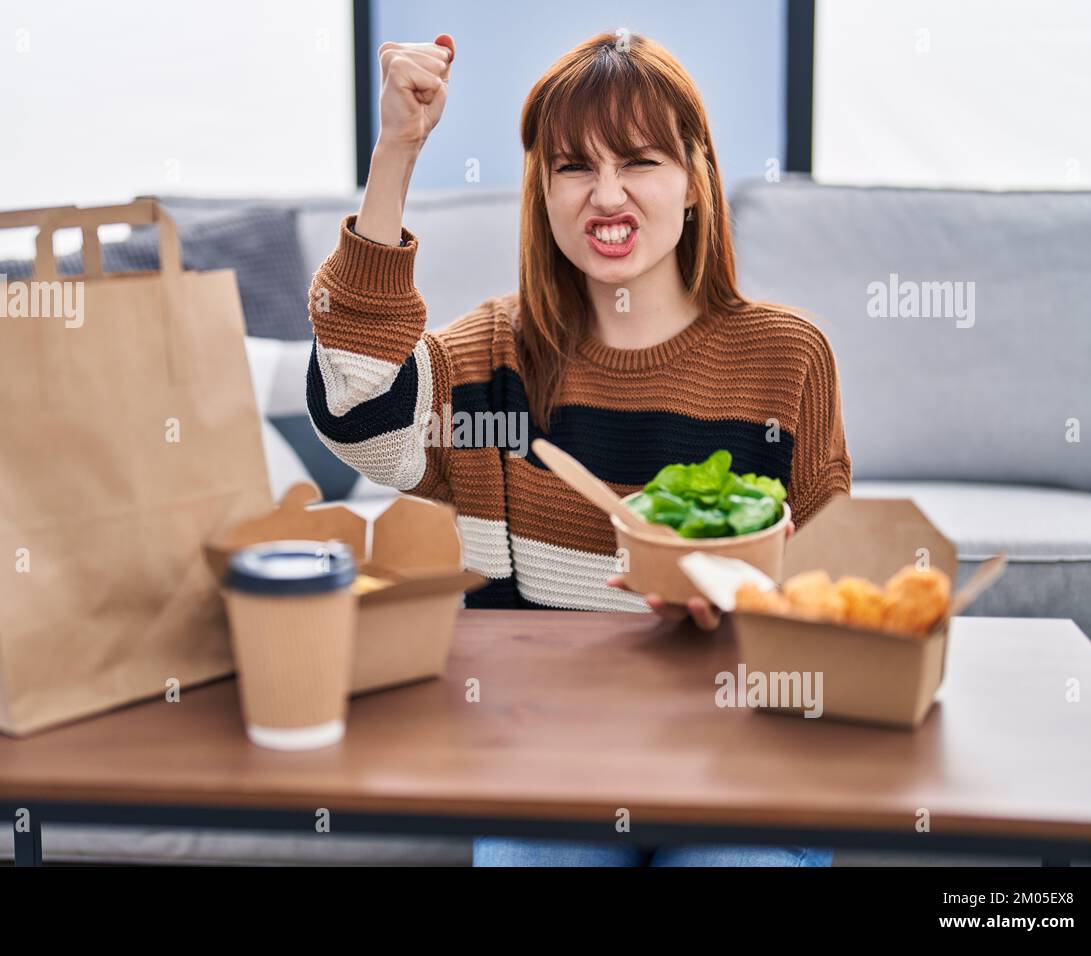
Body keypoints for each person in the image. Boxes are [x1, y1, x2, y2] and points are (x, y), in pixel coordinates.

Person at [305, 30, 850, 867]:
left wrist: (741, 612)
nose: (605, 195)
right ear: (541, 191)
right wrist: (397, 149)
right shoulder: (493, 356)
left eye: (638, 161)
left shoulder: (785, 359)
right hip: (544, 770)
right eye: (572, 167)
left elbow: (836, 608)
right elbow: (359, 406)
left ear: (696, 179)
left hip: (741, 765)